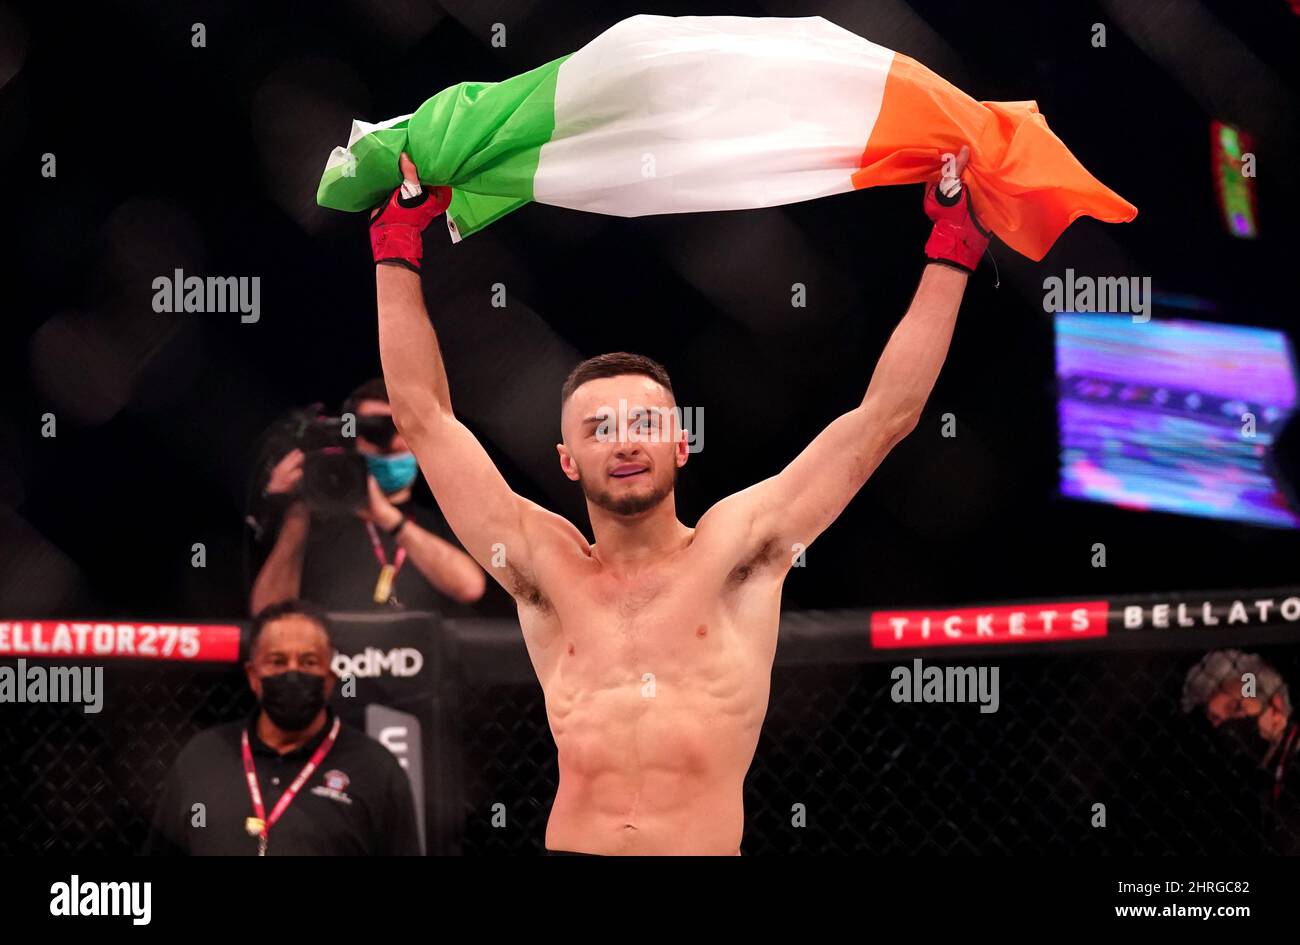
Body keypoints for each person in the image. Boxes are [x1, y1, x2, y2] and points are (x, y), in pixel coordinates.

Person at [368, 145, 986, 854]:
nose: (625, 441)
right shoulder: (541, 562)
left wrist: (952, 247)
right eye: (601, 428)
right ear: (568, 460)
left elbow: (885, 416)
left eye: (645, 424)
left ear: (680, 444)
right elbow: (423, 419)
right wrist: (395, 244)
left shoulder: (741, 546)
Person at [144, 600, 421, 855]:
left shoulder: (376, 768)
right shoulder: (203, 757)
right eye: (277, 662)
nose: (292, 673)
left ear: (330, 677)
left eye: (308, 662)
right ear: (253, 676)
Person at [249, 378, 496, 615]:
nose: (392, 442)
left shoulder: (444, 522)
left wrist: (387, 517)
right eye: (374, 431)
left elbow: (470, 587)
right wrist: (295, 515)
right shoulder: (310, 527)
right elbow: (267, 613)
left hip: (417, 654)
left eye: (402, 428)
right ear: (353, 438)